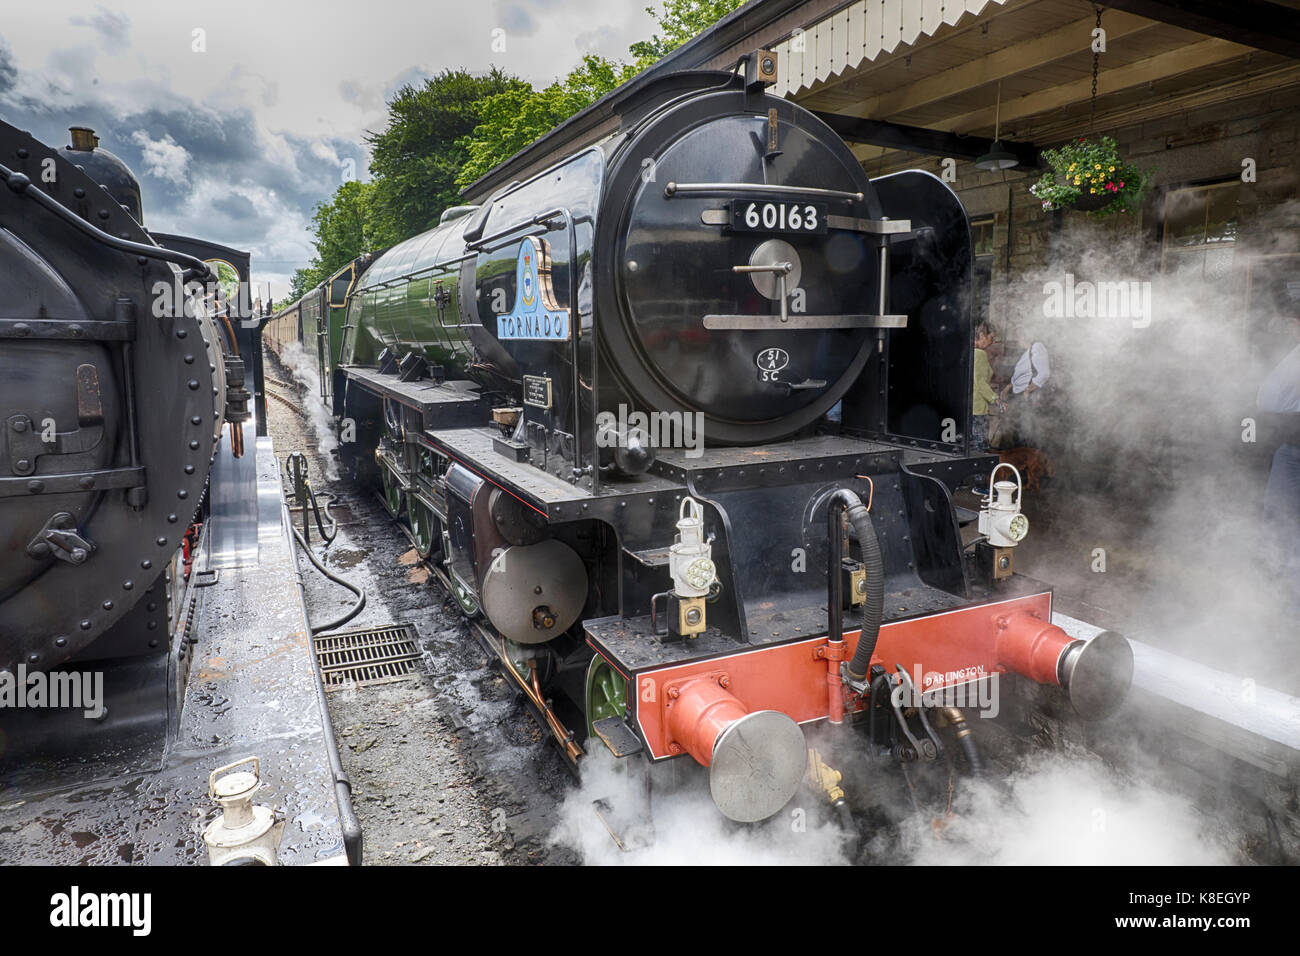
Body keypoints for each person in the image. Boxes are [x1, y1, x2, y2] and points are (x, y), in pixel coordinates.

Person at [999, 340, 1050, 447]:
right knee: (1019, 432)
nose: (1017, 338)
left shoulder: (1037, 347)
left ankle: (1029, 460)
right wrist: (1007, 388)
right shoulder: (1026, 352)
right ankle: (1021, 458)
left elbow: (1044, 373)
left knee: (1026, 433)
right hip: (1019, 396)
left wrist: (1028, 390)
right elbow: (1020, 376)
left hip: (1026, 398)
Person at [971, 322, 1005, 451]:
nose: (992, 342)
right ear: (981, 335)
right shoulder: (979, 354)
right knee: (981, 448)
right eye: (991, 337)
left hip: (967, 407)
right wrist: (995, 398)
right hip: (978, 408)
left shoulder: (968, 351)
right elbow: (980, 382)